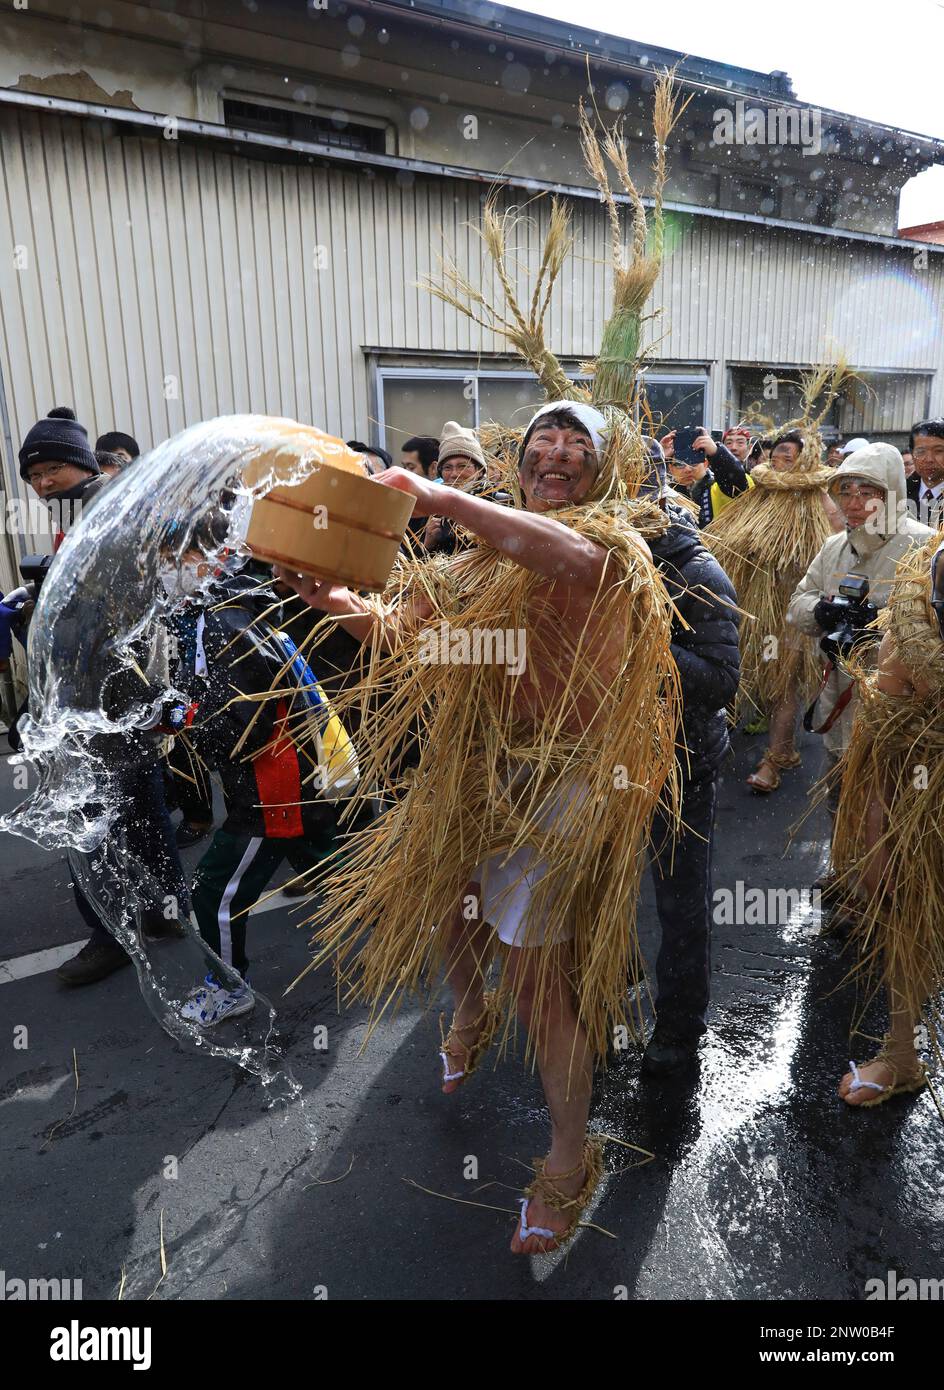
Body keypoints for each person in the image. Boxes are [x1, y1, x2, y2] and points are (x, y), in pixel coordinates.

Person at [159, 524, 366, 1027]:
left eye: (174, 558)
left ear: (212, 559)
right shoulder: (227, 608)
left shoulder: (222, 623)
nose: (164, 572)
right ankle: (395, 913)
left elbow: (241, 729)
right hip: (297, 773)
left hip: (271, 786)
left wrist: (176, 717)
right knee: (323, 861)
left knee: (215, 889)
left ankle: (228, 987)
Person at [17, 407, 187, 985]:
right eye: (34, 475)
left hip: (113, 695)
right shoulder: (81, 513)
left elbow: (121, 604)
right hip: (117, 695)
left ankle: (116, 931)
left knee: (92, 814)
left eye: (53, 469)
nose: (43, 484)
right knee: (139, 807)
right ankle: (162, 911)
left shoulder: (106, 508)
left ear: (83, 466)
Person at [830, 535, 944, 1107]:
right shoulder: (919, 601)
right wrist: (876, 835)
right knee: (907, 909)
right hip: (928, 786)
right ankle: (903, 1050)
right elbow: (887, 735)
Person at [641, 440, 741, 1075]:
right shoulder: (561, 556)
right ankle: (609, 1001)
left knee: (679, 901)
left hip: (678, 760)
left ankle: (678, 1029)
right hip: (586, 765)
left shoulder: (691, 566)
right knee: (589, 891)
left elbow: (720, 681)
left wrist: (639, 639)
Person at [784, 444, 932, 853]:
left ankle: (882, 891)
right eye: (845, 491)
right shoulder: (834, 547)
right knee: (839, 788)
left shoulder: (923, 548)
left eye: (866, 492)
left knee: (887, 799)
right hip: (840, 692)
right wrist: (825, 612)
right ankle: (842, 871)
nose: (852, 503)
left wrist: (883, 624)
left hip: (897, 705)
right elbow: (796, 607)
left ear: (891, 495)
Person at [659, 425, 754, 527]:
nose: (687, 469)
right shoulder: (662, 493)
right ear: (671, 468)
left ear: (705, 464)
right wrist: (657, 458)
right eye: (679, 464)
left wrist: (716, 452)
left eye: (693, 463)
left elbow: (737, 480)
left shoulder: (720, 488)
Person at [423, 421, 489, 551]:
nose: (455, 474)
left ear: (480, 470)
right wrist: (428, 544)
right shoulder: (431, 510)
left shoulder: (497, 503)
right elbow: (416, 566)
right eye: (447, 468)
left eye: (462, 466)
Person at [908, 419, 944, 530]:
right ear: (912, 453)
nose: (929, 459)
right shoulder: (899, 493)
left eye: (938, 451)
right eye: (921, 451)